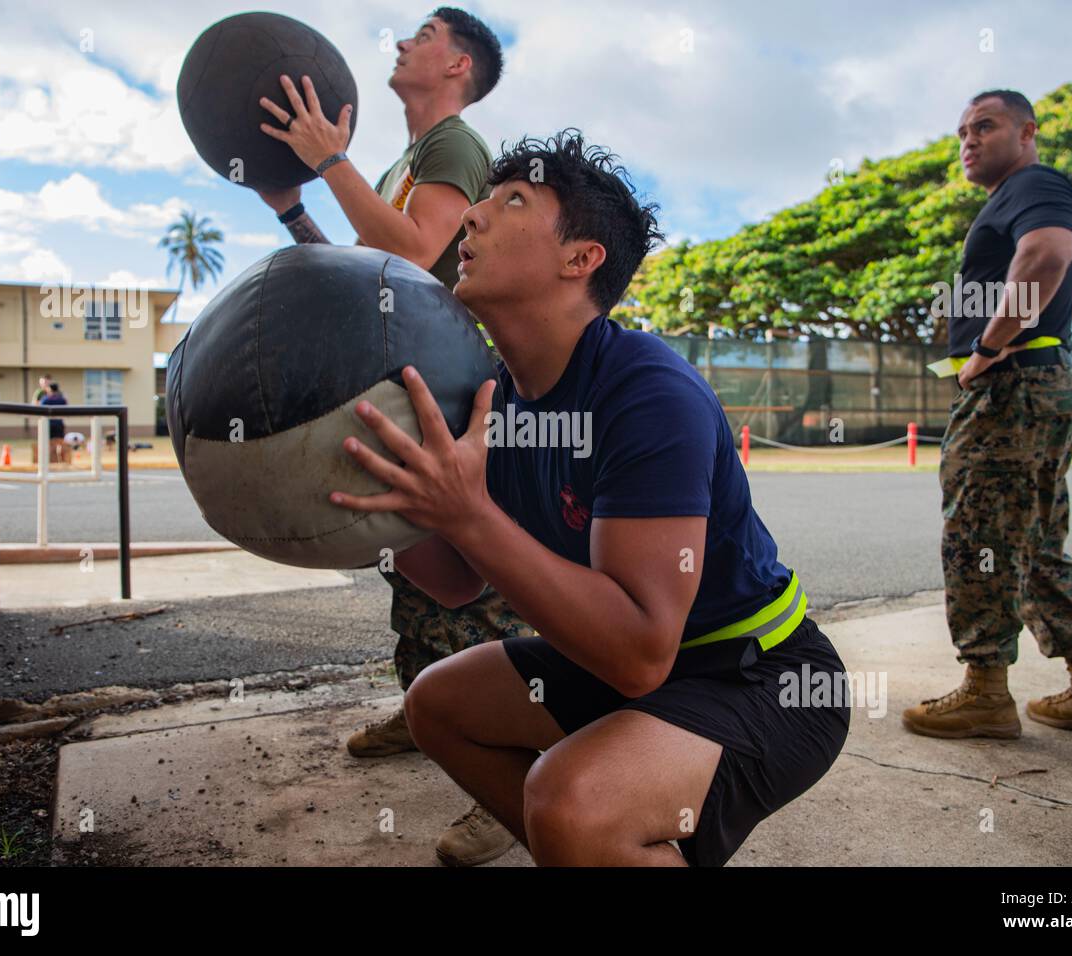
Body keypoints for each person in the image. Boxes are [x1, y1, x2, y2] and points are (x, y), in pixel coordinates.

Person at [329, 131, 851, 866]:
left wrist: (468, 513)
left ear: (581, 260)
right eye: (480, 200)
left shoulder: (647, 392)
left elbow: (639, 653)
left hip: (762, 675)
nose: (471, 218)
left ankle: (594, 840)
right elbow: (457, 579)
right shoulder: (493, 398)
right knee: (438, 706)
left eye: (510, 202)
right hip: (636, 667)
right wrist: (356, 513)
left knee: (569, 801)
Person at [252, 7, 533, 865]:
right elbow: (361, 273)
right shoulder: (403, 161)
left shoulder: (454, 145)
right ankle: (428, 708)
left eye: (424, 33)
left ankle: (516, 766)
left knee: (483, 592)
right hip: (408, 382)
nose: (406, 41)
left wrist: (328, 162)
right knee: (411, 578)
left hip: (455, 388)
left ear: (457, 65)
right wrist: (295, 209)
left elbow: (413, 253)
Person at [902, 90, 1072, 739]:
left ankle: (984, 690)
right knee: (1032, 540)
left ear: (1027, 130)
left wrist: (985, 349)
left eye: (985, 126)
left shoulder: (1033, 183)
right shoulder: (1013, 197)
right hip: (1039, 380)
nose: (968, 141)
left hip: (1013, 384)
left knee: (978, 535)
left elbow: (1045, 260)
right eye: (961, 132)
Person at [39, 381, 68, 464]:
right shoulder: (62, 399)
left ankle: (53, 462)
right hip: (59, 423)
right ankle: (63, 461)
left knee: (51, 445)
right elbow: (66, 407)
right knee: (60, 443)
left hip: (49, 424)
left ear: (49, 389)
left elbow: (40, 407)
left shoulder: (46, 399)